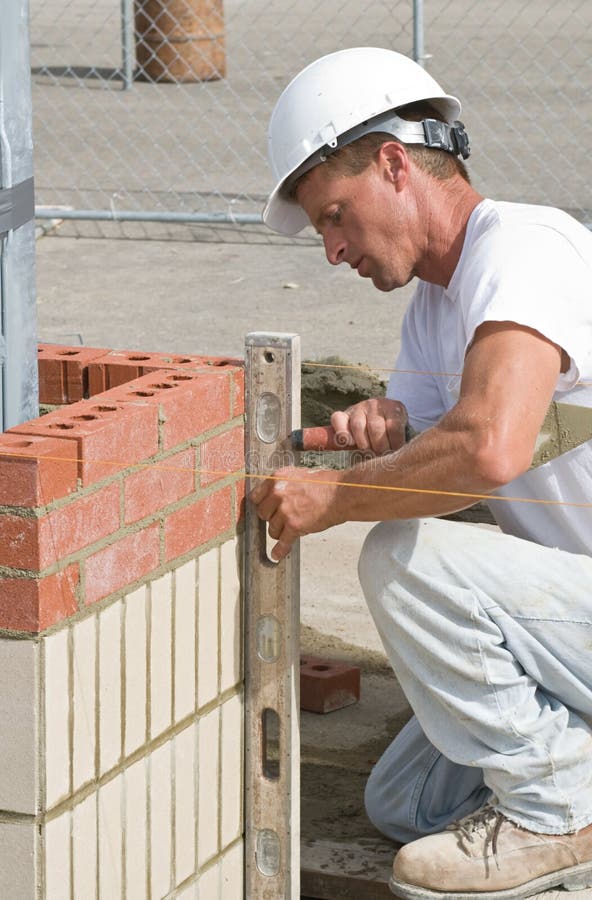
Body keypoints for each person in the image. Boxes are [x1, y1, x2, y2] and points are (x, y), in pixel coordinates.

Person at [250, 46, 592, 899]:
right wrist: (390, 434)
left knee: (397, 558)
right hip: (575, 616)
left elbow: (486, 448)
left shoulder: (525, 249)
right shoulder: (434, 308)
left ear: (396, 164)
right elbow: (432, 453)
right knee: (403, 800)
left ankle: (561, 807)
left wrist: (335, 496)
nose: (333, 250)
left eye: (334, 215)